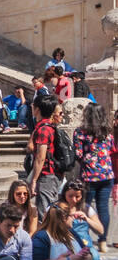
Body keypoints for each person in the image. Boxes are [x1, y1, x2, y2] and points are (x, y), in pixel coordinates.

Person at [72, 102, 113, 252]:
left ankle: (83, 240)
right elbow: (109, 148)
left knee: (83, 208)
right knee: (103, 209)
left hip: (89, 175)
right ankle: (103, 241)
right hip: (107, 174)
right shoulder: (107, 132)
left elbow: (78, 154)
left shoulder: (80, 132)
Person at [27, 93, 62, 218]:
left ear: (37, 109)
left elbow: (40, 157)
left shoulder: (43, 129)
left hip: (47, 175)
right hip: (52, 174)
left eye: (33, 105)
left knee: (45, 214)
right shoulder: (49, 126)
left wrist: (34, 180)